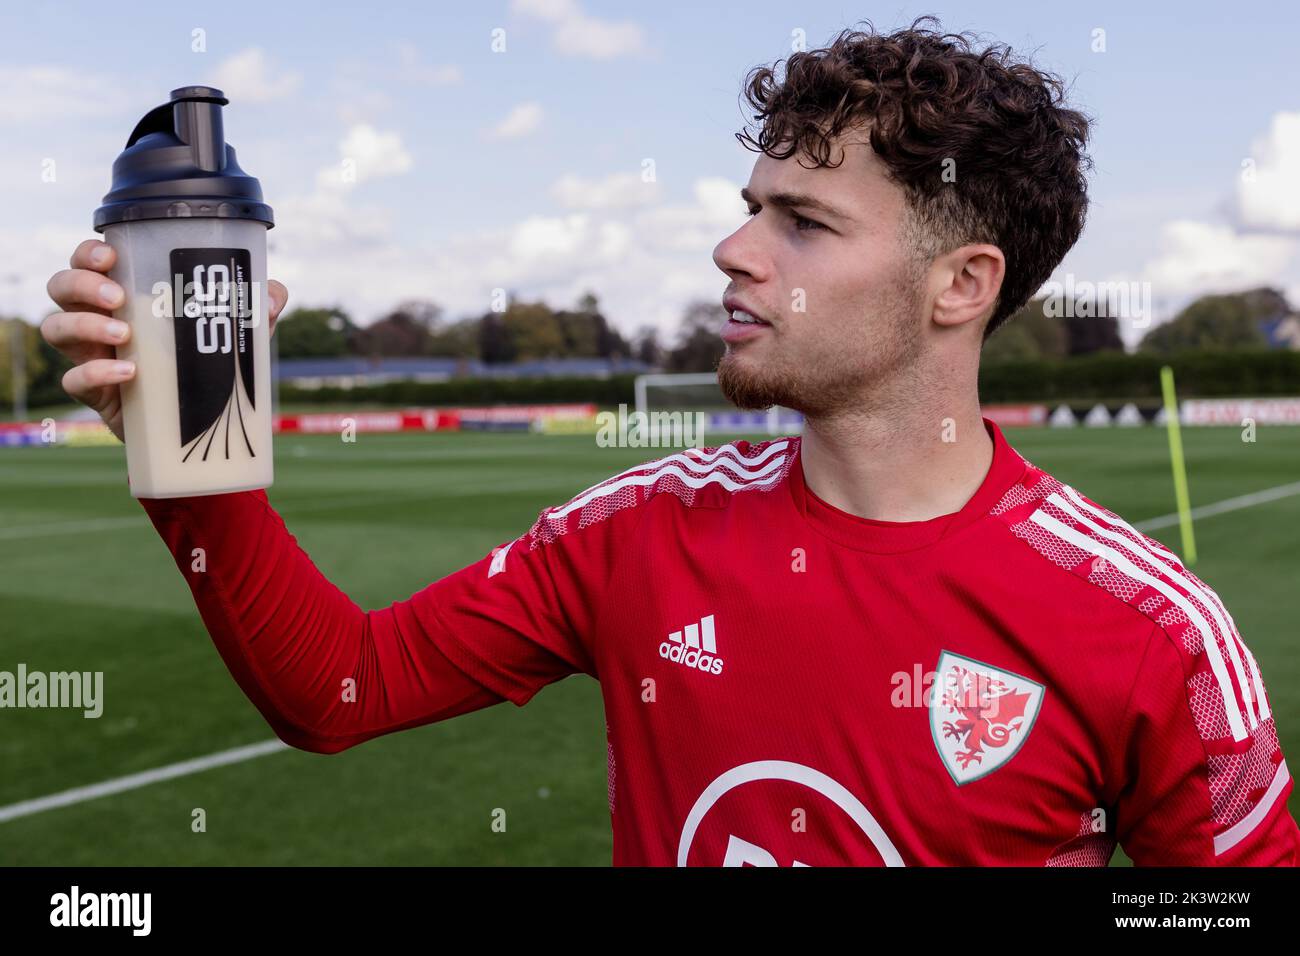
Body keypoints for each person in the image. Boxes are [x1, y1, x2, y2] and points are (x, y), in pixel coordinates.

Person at [43, 19, 1298, 866]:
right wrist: (181, 440)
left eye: (801, 222)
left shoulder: (1151, 631)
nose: (734, 248)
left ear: (960, 283)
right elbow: (339, 689)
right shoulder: (637, 531)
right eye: (749, 206)